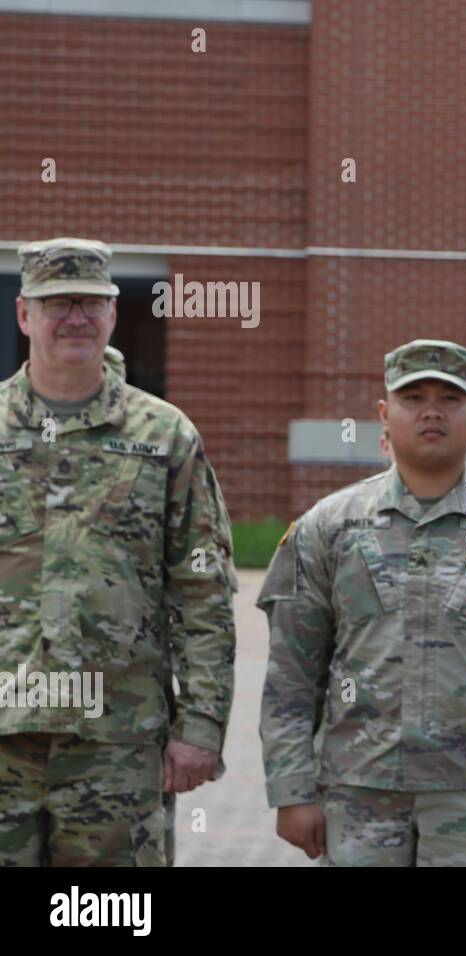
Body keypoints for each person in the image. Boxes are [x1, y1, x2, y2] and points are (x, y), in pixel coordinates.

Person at [258, 340, 466, 866]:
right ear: (384, 415)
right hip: (356, 791)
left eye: (449, 399)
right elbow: (292, 671)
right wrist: (291, 790)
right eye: (413, 397)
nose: (431, 410)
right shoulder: (329, 526)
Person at [0, 237, 236, 866]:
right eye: (57, 303)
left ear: (111, 314)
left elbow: (204, 591)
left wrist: (201, 726)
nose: (74, 317)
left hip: (118, 743)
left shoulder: (165, 436)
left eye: (90, 303)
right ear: (25, 314)